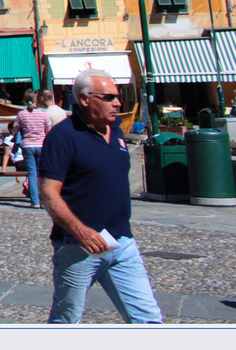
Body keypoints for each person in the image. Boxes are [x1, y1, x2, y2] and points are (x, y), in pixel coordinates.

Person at [39, 68, 163, 323]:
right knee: (66, 320)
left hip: (123, 242)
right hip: (79, 246)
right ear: (85, 99)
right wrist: (80, 231)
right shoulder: (63, 136)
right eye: (108, 97)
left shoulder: (116, 131)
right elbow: (48, 193)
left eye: (116, 96)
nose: (117, 103)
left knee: (148, 319)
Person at [14, 92, 50, 209]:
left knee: (32, 174)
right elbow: (48, 131)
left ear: (25, 100)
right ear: (37, 100)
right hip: (41, 145)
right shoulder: (43, 114)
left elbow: (14, 130)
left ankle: (35, 201)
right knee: (42, 174)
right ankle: (43, 200)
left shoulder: (21, 114)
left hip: (28, 146)